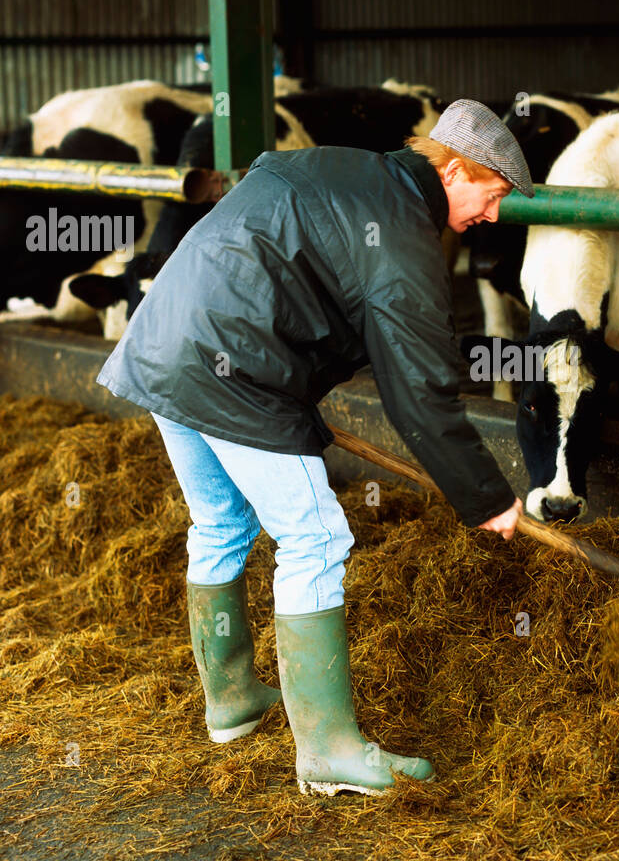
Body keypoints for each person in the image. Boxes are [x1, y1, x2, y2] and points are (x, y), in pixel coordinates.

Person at [97, 99, 534, 796]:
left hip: (163, 346)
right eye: (495, 193)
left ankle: (233, 701)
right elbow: (418, 390)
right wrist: (487, 497)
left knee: (219, 524)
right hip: (232, 372)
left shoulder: (333, 167)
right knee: (316, 540)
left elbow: (270, 272)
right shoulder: (400, 233)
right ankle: (329, 750)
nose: (493, 214)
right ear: (455, 170)